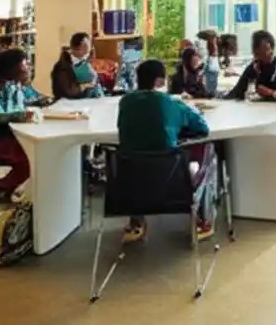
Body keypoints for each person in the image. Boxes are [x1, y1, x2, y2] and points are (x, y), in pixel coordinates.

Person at [117, 59, 213, 242]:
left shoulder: (125, 102)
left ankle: (137, 221)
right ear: (160, 81)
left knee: (138, 156)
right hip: (170, 180)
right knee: (208, 153)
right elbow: (202, 127)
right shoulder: (171, 103)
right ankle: (201, 220)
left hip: (130, 184)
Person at [0, 48, 51, 205]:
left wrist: (45, 102)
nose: (28, 68)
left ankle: (32, 194)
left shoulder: (14, 86)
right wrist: (18, 116)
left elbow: (25, 102)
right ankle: (3, 188)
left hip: (8, 136)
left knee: (39, 151)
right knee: (30, 157)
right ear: (12, 68)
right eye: (24, 64)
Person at [223, 30, 276, 110]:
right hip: (262, 112)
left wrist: (272, 93)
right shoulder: (254, 67)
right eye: (256, 52)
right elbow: (237, 91)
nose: (269, 53)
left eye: (270, 50)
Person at [50, 32, 103, 99]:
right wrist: (86, 85)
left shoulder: (86, 61)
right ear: (77, 50)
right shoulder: (62, 67)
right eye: (87, 48)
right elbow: (69, 90)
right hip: (72, 103)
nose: (90, 50)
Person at [194, 30, 222, 95]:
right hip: (212, 67)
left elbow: (210, 57)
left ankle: (210, 94)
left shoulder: (211, 45)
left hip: (212, 67)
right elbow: (209, 58)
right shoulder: (211, 44)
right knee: (211, 87)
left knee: (211, 87)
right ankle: (211, 94)